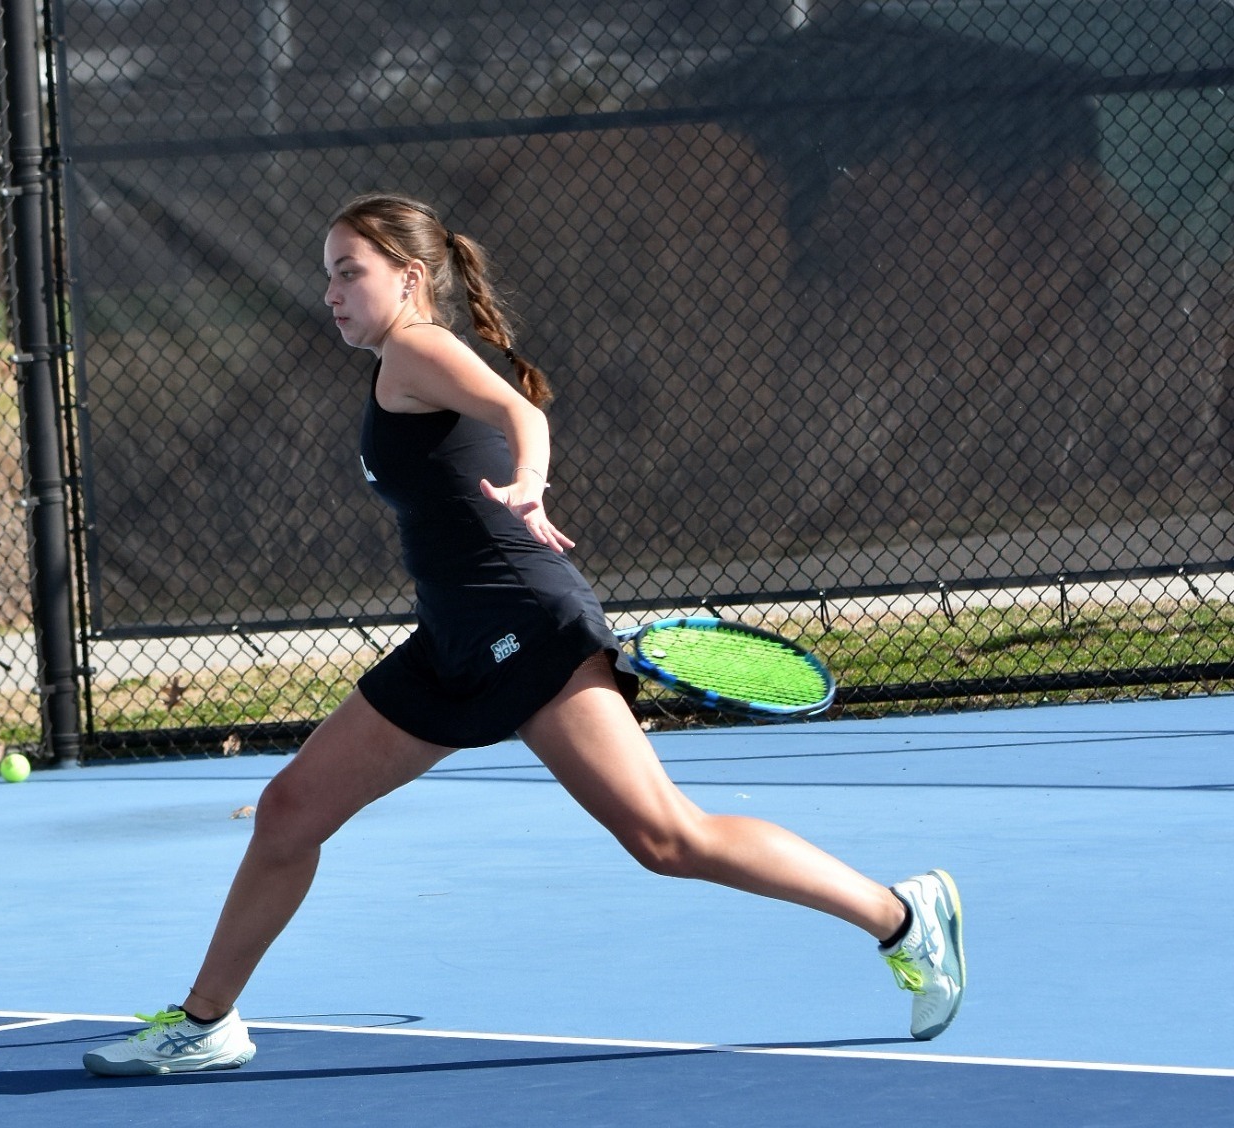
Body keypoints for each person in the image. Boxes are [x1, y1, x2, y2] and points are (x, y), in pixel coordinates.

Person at [83, 192, 965, 1077]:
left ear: (410, 277)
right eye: (328, 275)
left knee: (668, 840)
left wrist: (531, 482)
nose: (332, 292)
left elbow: (524, 418)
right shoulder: (402, 358)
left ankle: (900, 917)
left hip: (526, 629)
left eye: (350, 272)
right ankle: (206, 1022)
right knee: (289, 812)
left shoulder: (418, 347)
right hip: (455, 640)